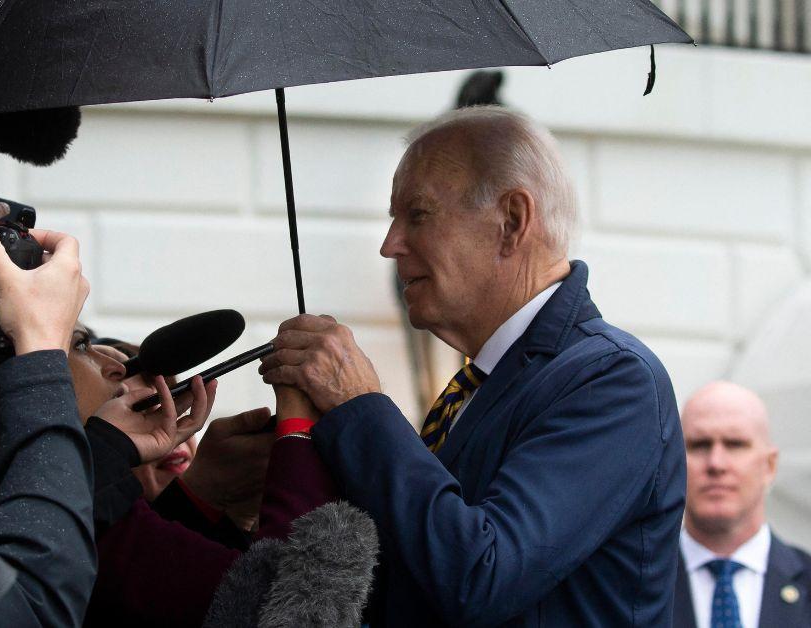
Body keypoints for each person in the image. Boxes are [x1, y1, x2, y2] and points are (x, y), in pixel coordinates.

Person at [259, 106, 686, 626]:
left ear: (511, 222)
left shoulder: (612, 380)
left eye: (417, 214)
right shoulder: (483, 383)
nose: (390, 245)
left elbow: (480, 576)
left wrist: (359, 406)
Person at [675, 381, 811, 628]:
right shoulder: (629, 586)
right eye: (699, 445)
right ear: (674, 463)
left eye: (735, 444)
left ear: (769, 466)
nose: (716, 463)